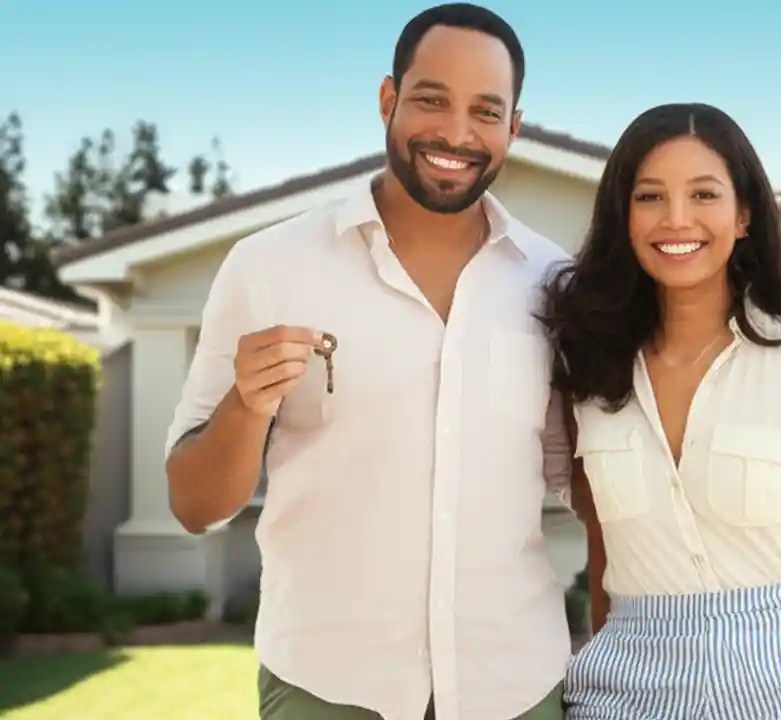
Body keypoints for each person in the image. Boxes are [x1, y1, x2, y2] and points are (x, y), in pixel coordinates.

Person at [164, 5, 572, 719]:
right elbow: (195, 504)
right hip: (325, 686)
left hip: (515, 685)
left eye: (485, 111)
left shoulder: (553, 284)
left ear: (515, 127)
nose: (454, 132)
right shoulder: (268, 267)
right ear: (388, 99)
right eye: (431, 99)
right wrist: (247, 403)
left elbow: (584, 479)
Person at [539, 102, 781, 719]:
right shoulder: (588, 377)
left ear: (743, 214)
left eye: (703, 194)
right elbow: (603, 565)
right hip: (627, 690)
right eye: (649, 197)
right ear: (623, 214)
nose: (677, 219)